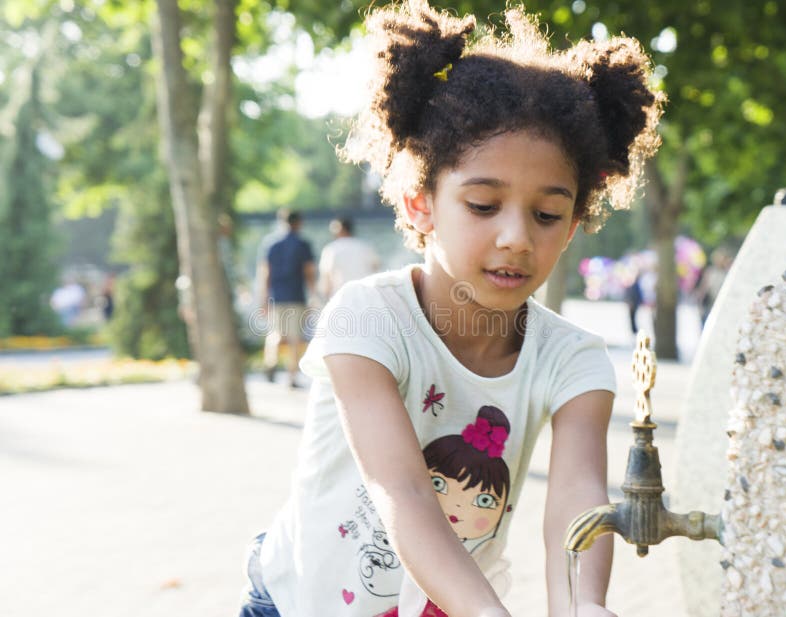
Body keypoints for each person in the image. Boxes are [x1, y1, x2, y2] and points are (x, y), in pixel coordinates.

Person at [238, 3, 662, 616]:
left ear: (571, 227)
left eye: (546, 215)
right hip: (298, 603)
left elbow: (575, 501)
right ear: (420, 205)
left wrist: (583, 607)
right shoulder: (366, 320)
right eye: (484, 205)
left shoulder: (574, 361)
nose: (517, 236)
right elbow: (404, 491)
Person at [258, 209, 316, 388]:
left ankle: (270, 363)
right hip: (296, 295)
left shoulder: (271, 244)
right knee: (294, 338)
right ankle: (291, 377)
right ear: (299, 223)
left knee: (275, 333)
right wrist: (314, 294)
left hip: (277, 296)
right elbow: (308, 272)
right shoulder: (302, 244)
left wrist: (264, 297)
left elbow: (265, 272)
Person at [318, 217, 381, 300]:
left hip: (340, 297)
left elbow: (326, 278)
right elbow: (376, 269)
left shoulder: (331, 249)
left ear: (340, 230)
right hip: (365, 295)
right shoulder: (365, 246)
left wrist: (324, 297)